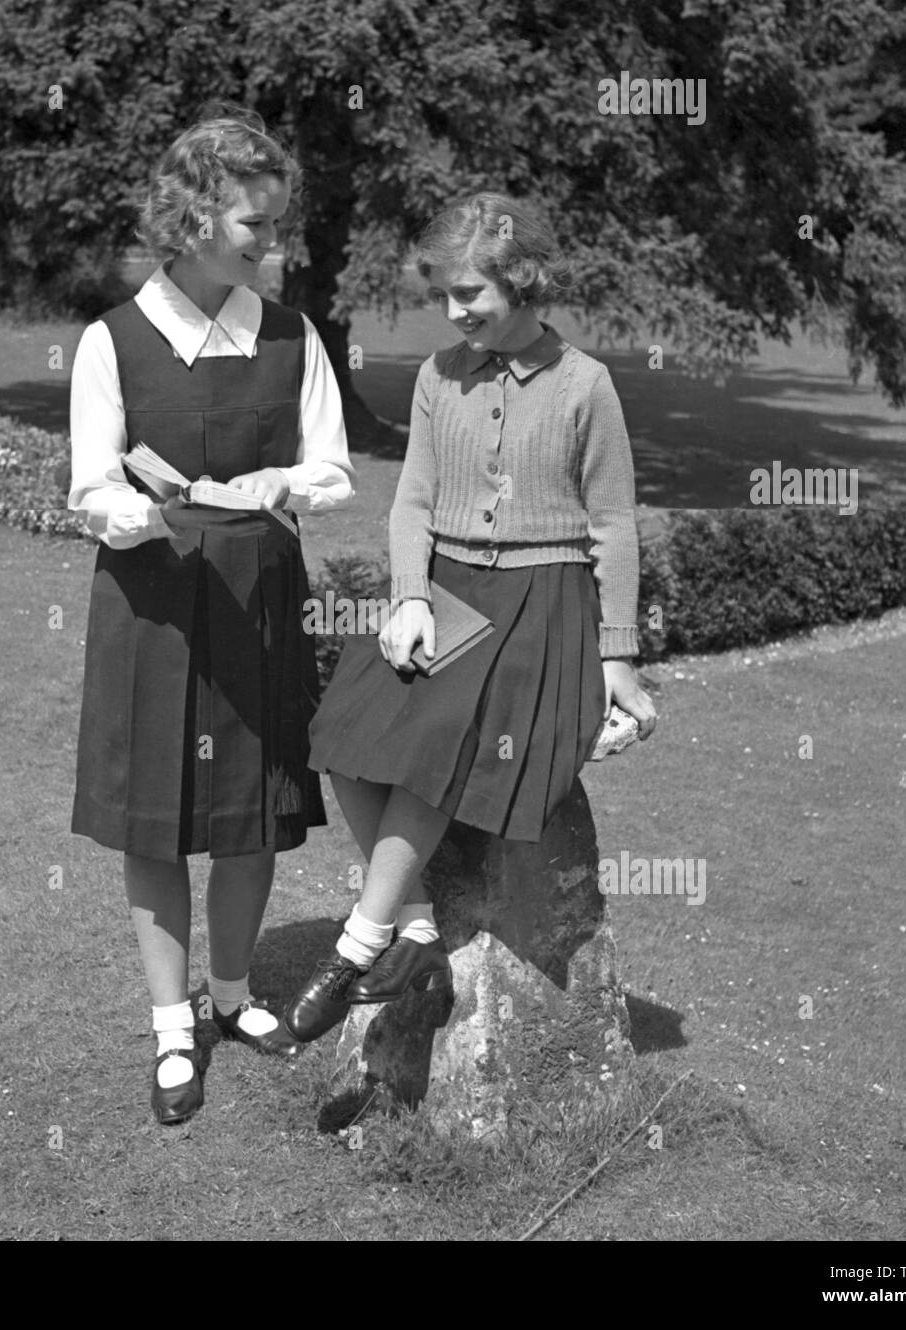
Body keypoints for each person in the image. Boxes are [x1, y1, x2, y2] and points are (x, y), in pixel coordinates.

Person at [286, 192, 656, 1041]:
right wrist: (410, 596)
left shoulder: (585, 386)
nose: (454, 314)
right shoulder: (436, 376)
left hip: (542, 604)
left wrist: (618, 657)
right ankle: (416, 930)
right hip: (446, 595)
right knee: (345, 726)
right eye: (445, 296)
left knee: (435, 742)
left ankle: (355, 947)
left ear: (523, 282)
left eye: (470, 295)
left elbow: (613, 528)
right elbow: (412, 499)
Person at [69, 103, 354, 1122]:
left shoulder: (291, 336)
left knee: (252, 819)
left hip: (262, 604)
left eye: (276, 227)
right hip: (151, 606)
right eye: (255, 227)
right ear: (192, 219)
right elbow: (88, 491)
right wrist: (147, 511)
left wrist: (281, 486)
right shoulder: (112, 342)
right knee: (155, 823)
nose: (274, 246)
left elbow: (332, 473)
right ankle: (170, 1026)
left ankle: (230, 995)